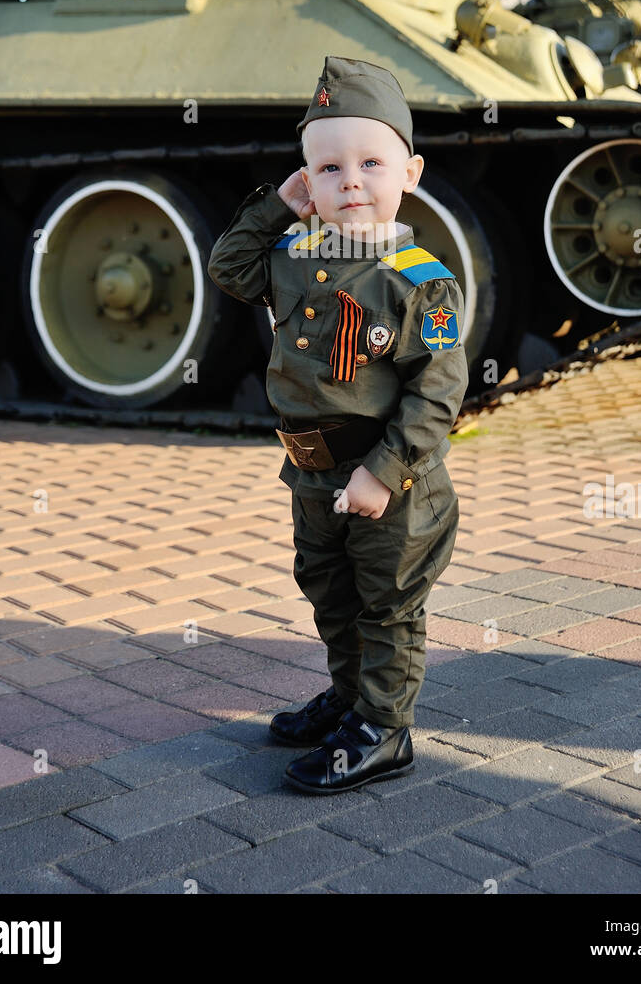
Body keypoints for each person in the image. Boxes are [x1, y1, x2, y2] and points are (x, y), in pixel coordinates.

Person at [207, 54, 469, 793]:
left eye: (370, 162)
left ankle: (384, 730)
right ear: (308, 185)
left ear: (409, 174)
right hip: (311, 471)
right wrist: (279, 205)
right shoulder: (296, 254)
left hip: (390, 482)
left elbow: (438, 392)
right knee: (329, 592)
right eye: (327, 169)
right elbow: (230, 267)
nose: (349, 180)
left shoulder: (421, 281)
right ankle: (350, 699)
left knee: (385, 605)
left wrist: (383, 474)